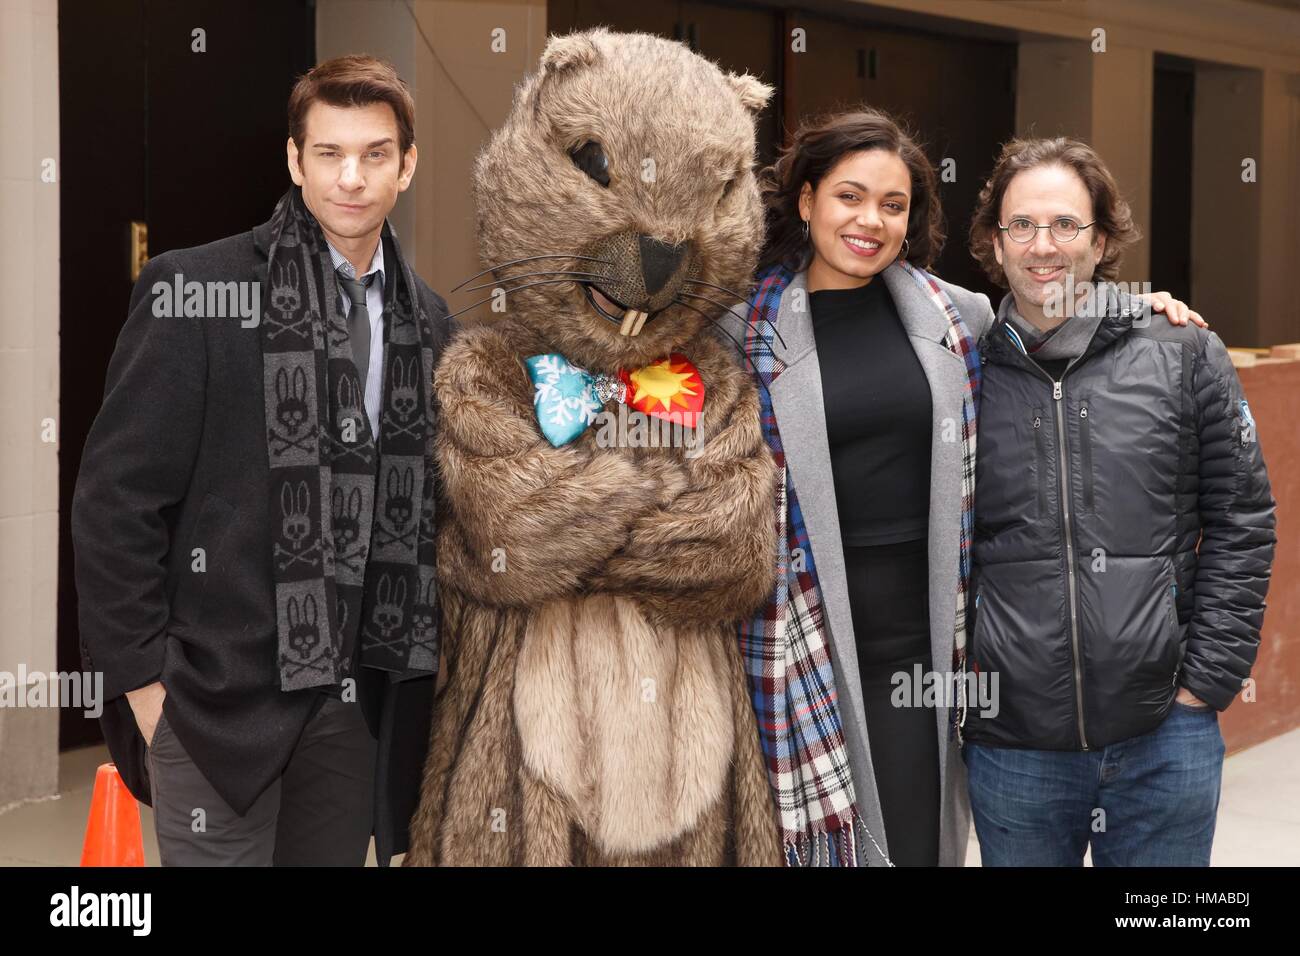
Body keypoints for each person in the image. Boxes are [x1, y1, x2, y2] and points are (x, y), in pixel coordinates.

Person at [722, 108, 1200, 866]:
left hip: (930, 650)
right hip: (796, 642)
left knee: (918, 843)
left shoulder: (956, 317)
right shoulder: (737, 333)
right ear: (807, 199)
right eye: (849, 196)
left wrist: (1136, 308)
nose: (869, 221)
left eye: (893, 204)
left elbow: (1060, 316)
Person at [71, 55, 453, 866]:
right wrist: (148, 691)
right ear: (293, 160)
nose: (351, 177)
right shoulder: (197, 291)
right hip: (215, 703)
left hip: (356, 707)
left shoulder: (435, 324)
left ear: (408, 166)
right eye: (328, 153)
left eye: (376, 153)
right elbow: (114, 502)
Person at [961, 136, 1276, 866]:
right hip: (1013, 745)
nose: (1045, 246)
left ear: (1101, 240)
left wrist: (1206, 683)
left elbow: (1242, 520)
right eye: (1022, 226)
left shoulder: (1182, 351)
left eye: (1067, 225)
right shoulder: (957, 366)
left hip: (1165, 733)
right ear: (995, 243)